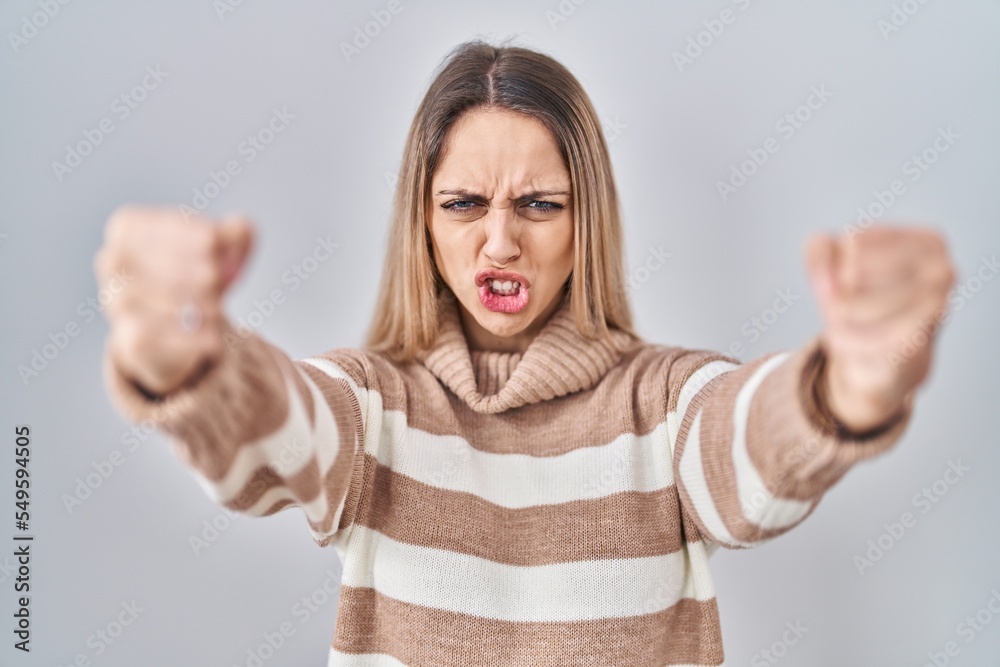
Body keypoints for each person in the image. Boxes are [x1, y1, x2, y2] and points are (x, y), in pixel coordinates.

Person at [95, 39, 955, 666]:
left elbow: (744, 444)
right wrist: (194, 366)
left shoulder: (661, 403)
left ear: (588, 225)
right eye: (464, 202)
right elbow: (281, 422)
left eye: (539, 204)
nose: (499, 241)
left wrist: (845, 387)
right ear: (422, 225)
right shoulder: (374, 407)